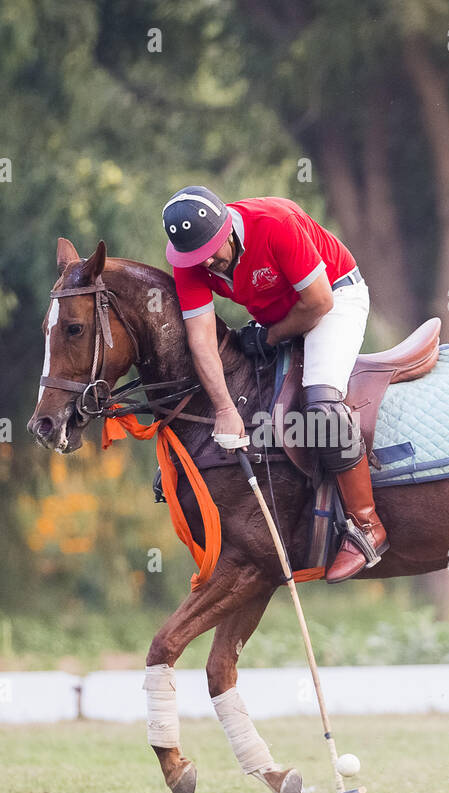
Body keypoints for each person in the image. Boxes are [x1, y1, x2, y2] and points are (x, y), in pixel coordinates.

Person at [162, 185, 387, 582]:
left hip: (334, 296)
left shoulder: (275, 225)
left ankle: (367, 527)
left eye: (213, 250)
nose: (209, 262)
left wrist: (268, 336)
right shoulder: (191, 262)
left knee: (321, 406)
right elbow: (201, 340)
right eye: (198, 257)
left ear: (227, 228)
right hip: (280, 314)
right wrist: (226, 411)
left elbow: (318, 303)